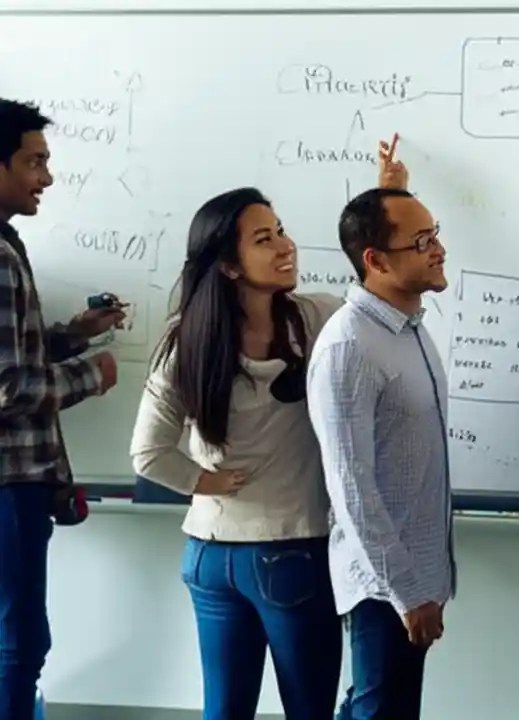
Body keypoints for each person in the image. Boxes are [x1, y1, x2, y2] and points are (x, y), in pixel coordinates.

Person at [129, 186, 346, 719]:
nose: (285, 246)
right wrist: (212, 480)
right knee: (310, 709)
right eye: (264, 239)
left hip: (207, 554)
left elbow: (150, 455)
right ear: (228, 264)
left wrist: (207, 485)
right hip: (289, 550)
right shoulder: (318, 318)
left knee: (224, 710)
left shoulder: (187, 338)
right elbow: (380, 293)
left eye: (281, 231)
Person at [307, 147, 455, 719]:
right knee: (378, 708)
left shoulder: (407, 326)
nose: (438, 248)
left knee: (378, 706)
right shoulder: (350, 345)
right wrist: (406, 592)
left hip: (417, 575)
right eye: (421, 242)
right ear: (376, 261)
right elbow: (351, 487)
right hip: (383, 587)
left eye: (434, 233)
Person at [0, 98, 124, 719]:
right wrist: (90, 375)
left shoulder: (6, 243)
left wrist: (73, 333)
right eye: (33, 162)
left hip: (18, 485)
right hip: (9, 483)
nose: (45, 178)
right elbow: (7, 388)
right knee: (18, 643)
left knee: (17, 638)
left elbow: (13, 351)